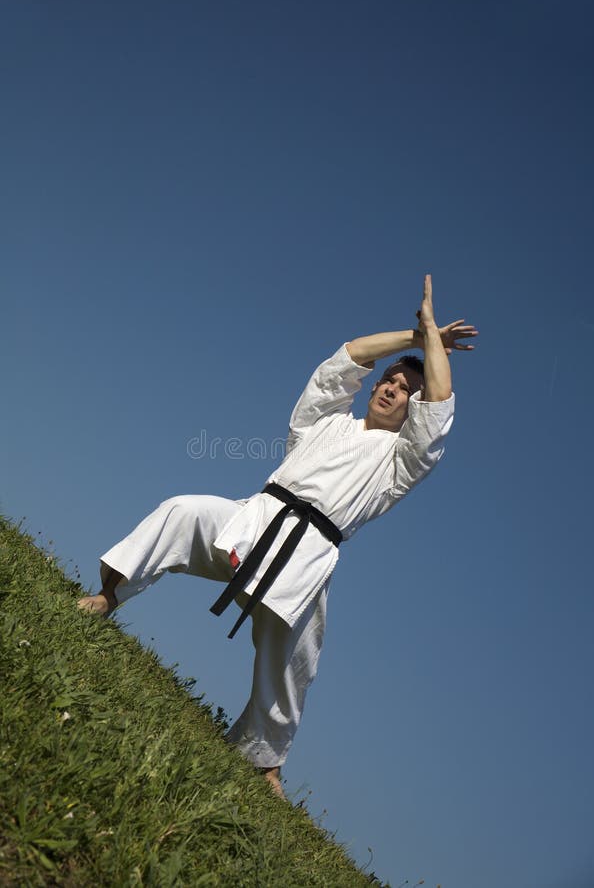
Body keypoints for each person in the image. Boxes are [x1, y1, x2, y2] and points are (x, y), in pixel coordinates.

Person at [78, 275, 477, 798]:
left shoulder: (401, 462)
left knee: (294, 662)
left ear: (413, 409)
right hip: (254, 519)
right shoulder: (324, 423)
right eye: (388, 380)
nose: (388, 387)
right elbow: (350, 356)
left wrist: (432, 341)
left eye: (405, 389)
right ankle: (109, 596)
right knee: (181, 512)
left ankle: (263, 762)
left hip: (308, 557)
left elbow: (440, 404)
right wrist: (415, 334)